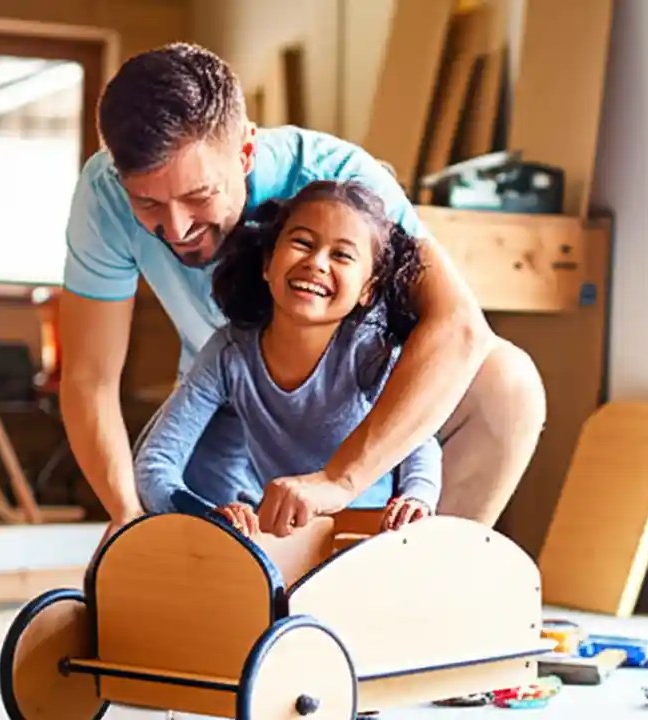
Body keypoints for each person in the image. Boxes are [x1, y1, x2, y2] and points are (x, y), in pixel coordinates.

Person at [59, 42, 546, 541]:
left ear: (245, 152)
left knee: (509, 386)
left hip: (354, 410)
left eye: (198, 196)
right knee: (195, 563)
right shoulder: (105, 194)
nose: (177, 227)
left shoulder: (340, 184)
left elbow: (460, 327)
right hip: (230, 405)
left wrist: (343, 479)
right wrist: (125, 517)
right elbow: (89, 377)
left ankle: (424, 578)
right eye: (149, 204)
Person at [134, 180, 440, 535]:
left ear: (368, 290)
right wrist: (208, 515)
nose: (316, 263)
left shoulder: (376, 354)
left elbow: (420, 443)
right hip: (288, 537)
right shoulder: (230, 353)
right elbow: (154, 464)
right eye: (302, 243)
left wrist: (419, 499)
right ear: (267, 263)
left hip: (373, 538)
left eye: (341, 255)